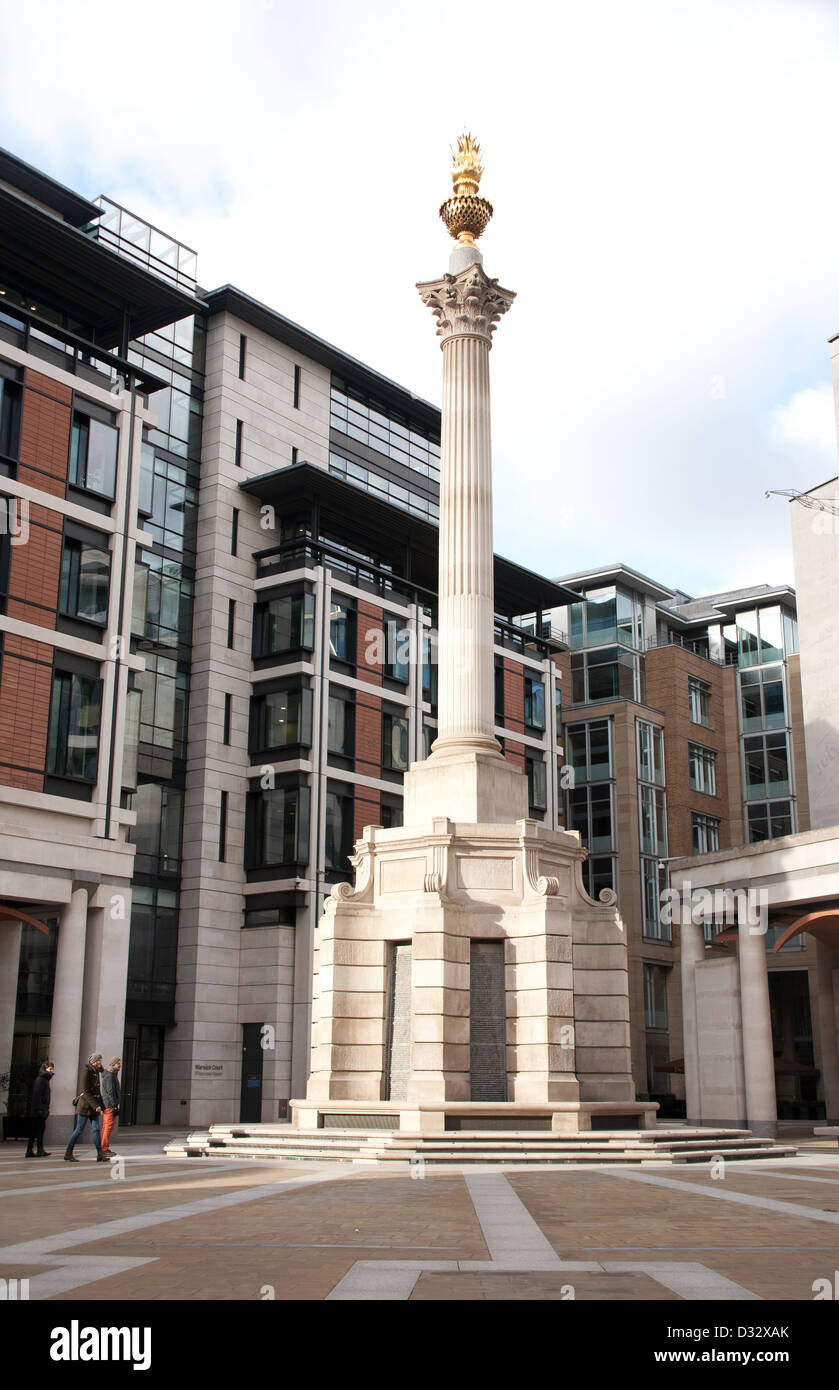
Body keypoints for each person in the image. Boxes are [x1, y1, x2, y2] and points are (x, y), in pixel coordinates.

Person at [64, 1053, 106, 1162]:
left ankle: (100, 1154)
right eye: (98, 1061)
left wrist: (103, 1107)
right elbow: (85, 1092)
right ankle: (68, 1152)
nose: (100, 1063)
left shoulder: (96, 1072)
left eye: (100, 1061)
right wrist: (96, 1105)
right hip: (85, 1106)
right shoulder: (86, 1072)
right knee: (79, 1130)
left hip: (94, 1107)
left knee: (96, 1129)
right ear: (93, 1062)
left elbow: (97, 1092)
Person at [25, 1059, 54, 1158]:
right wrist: (41, 1109)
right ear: (45, 1069)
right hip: (38, 1111)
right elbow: (37, 1096)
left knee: (37, 1130)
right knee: (38, 1130)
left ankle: (34, 1150)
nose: (52, 1071)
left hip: (39, 1110)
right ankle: (36, 1150)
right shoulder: (41, 1080)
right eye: (50, 1069)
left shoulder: (44, 1079)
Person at [100, 1057, 121, 1158]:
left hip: (109, 1105)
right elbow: (110, 1092)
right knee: (107, 1127)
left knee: (107, 1127)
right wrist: (114, 1105)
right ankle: (103, 1148)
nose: (119, 1066)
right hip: (109, 1105)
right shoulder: (110, 1076)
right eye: (118, 1064)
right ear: (113, 1065)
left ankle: (104, 1147)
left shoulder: (112, 1075)